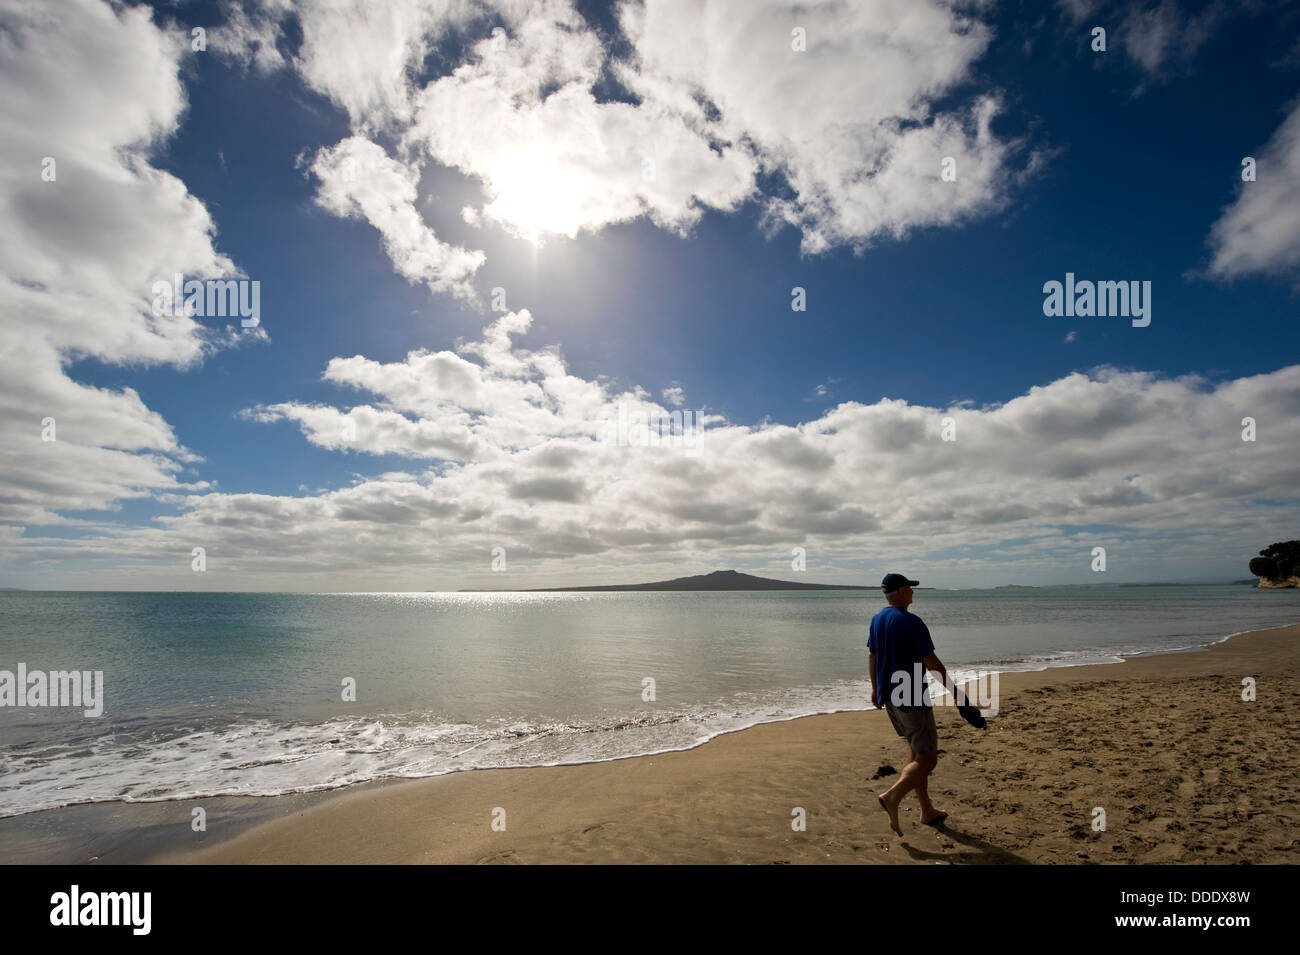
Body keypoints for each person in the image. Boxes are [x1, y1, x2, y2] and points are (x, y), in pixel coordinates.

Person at [868, 573, 954, 835]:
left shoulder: (878, 619)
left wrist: (875, 688)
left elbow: (873, 655)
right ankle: (892, 796)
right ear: (903, 591)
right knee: (928, 759)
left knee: (916, 753)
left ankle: (926, 811)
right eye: (911, 589)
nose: (913, 594)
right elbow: (931, 662)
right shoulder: (910, 622)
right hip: (911, 694)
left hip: (891, 695)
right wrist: (957, 693)